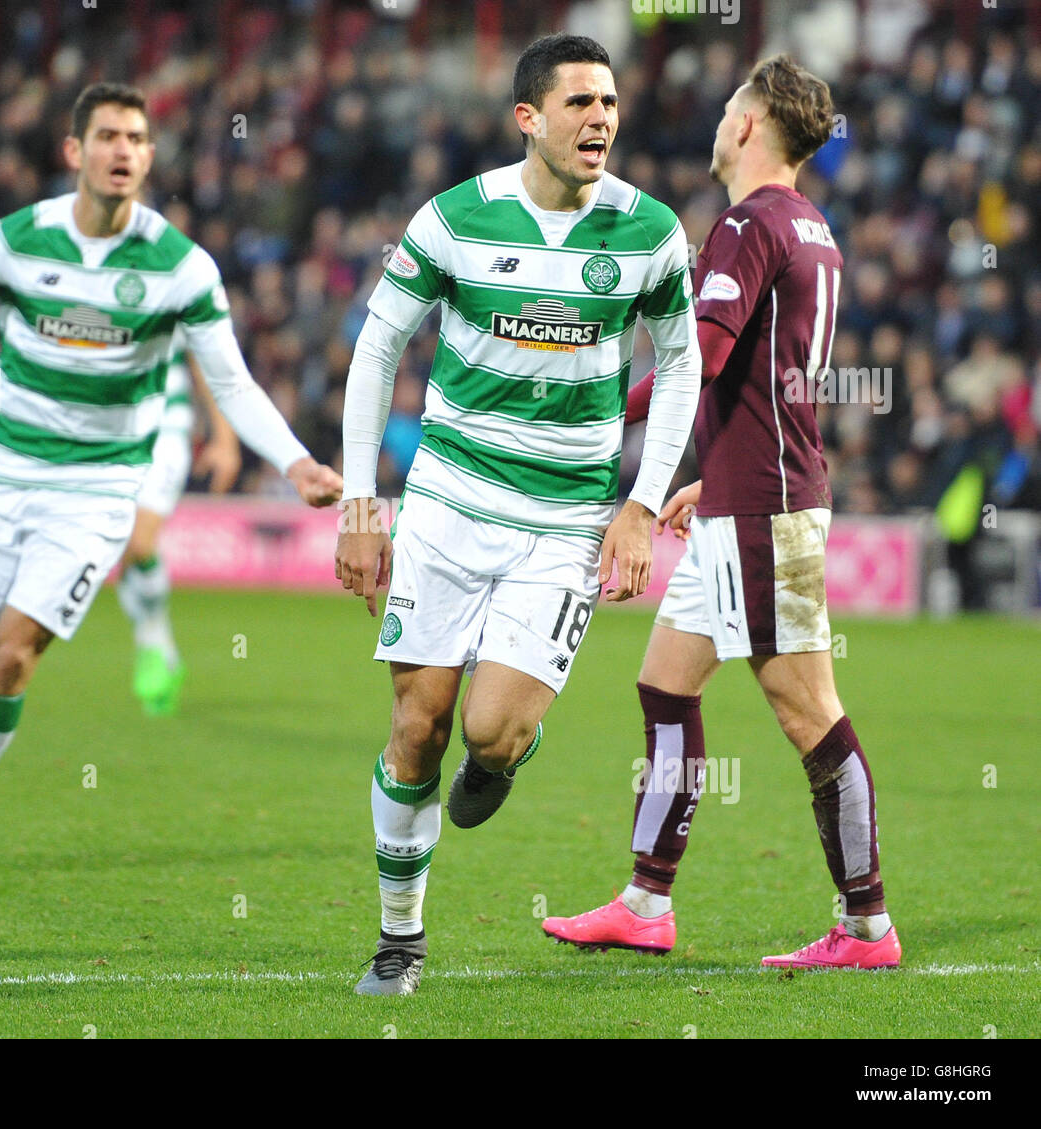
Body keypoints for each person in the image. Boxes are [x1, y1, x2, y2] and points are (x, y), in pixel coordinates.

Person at [0, 82, 341, 882]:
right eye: (108, 136)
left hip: (95, 494)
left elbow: (230, 383)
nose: (123, 151)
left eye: (136, 139)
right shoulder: (15, 241)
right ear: (74, 151)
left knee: (12, 660)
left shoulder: (181, 267)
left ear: (150, 157)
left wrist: (292, 458)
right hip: (0, 479)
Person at [335, 33, 701, 995]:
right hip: (450, 502)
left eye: (611, 103)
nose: (603, 119)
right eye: (580, 102)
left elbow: (683, 366)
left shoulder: (650, 232)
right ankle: (400, 937)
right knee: (419, 724)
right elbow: (378, 350)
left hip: (565, 520)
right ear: (528, 118)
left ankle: (503, 756)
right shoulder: (455, 219)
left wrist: (641, 502)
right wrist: (360, 503)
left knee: (489, 731)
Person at [542, 56, 901, 969]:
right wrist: (716, 472)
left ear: (748, 126)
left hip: (766, 511)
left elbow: (701, 354)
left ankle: (867, 925)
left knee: (808, 709)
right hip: (747, 496)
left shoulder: (747, 222)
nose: (717, 123)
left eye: (728, 109)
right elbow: (763, 376)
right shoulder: (810, 224)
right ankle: (645, 901)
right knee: (666, 684)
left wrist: (600, 404)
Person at [115, 336, 241, 716]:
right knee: (123, 551)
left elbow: (205, 364)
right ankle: (160, 647)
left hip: (167, 431)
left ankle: (153, 642)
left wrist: (225, 439)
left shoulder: (177, 279)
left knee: (140, 545)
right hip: (112, 435)